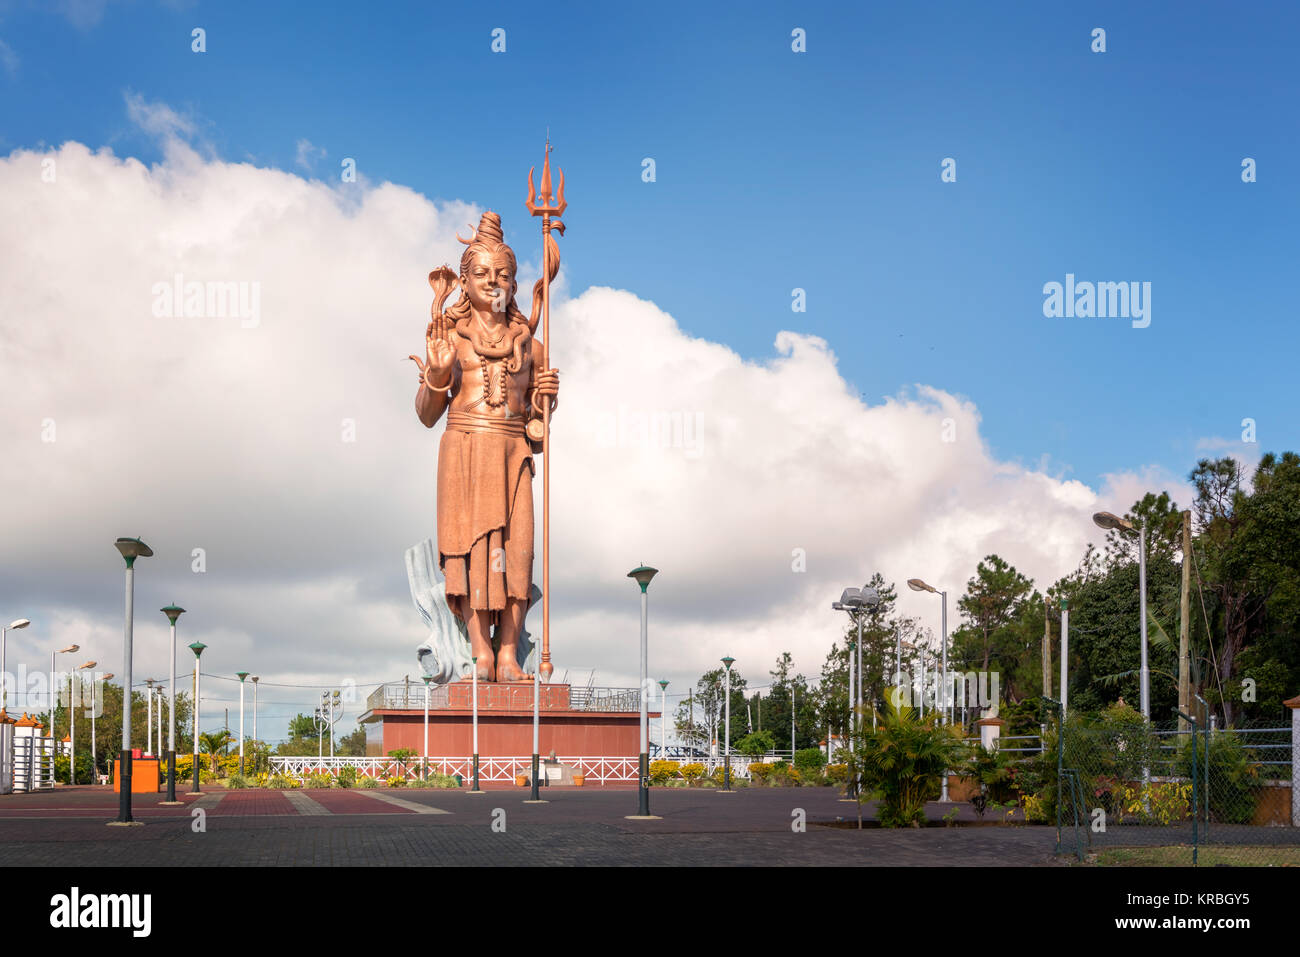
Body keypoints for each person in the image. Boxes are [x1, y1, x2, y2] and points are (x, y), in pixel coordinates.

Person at [411, 212, 559, 682]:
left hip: (512, 453)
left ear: (515, 285)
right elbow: (426, 414)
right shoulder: (450, 338)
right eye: (481, 274)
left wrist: (546, 403)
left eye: (504, 275)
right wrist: (436, 376)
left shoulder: (533, 349)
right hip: (465, 450)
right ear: (465, 282)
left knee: (517, 554)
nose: (493, 282)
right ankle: (480, 654)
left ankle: (509, 655)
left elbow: (536, 429)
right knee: (471, 556)